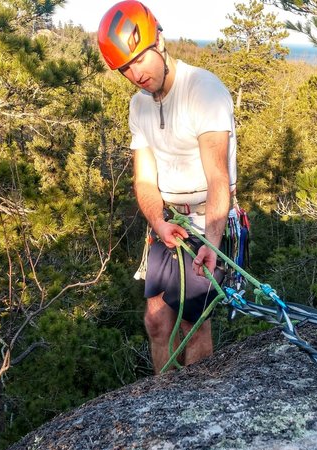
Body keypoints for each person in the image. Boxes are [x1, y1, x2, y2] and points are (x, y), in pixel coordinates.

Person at [98, 0, 237, 374]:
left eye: (139, 59)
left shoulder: (202, 90)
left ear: (159, 40)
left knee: (192, 322)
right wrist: (158, 222)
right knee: (157, 320)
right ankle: (161, 402)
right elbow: (144, 179)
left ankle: (194, 411)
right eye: (125, 68)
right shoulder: (138, 106)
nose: (135, 73)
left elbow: (217, 178)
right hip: (169, 220)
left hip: (210, 217)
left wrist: (211, 240)